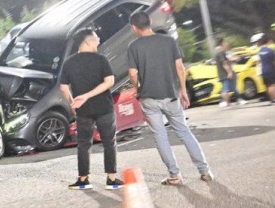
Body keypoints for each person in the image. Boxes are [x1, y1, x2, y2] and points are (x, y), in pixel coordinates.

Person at [127, 11, 213, 186]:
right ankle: (205, 171)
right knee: (184, 132)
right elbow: (180, 68)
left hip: (149, 98)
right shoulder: (168, 41)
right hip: (171, 95)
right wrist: (183, 90)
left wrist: (138, 88)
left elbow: (132, 74)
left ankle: (175, 175)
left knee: (160, 136)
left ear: (134, 27)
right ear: (149, 22)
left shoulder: (133, 46)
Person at [59, 28, 123, 190]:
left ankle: (83, 180)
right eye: (96, 38)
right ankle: (111, 179)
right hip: (104, 108)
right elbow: (109, 82)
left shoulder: (69, 62)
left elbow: (63, 88)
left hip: (83, 110)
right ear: (88, 41)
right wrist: (88, 95)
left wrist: (73, 103)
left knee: (83, 144)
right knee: (109, 142)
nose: (99, 41)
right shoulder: (101, 60)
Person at [214, 38, 243, 108]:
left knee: (229, 88)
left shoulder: (217, 52)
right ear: (222, 43)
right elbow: (224, 63)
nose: (226, 43)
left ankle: (230, 102)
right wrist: (229, 72)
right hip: (224, 74)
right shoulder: (221, 52)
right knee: (225, 89)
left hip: (221, 73)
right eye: (225, 42)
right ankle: (227, 104)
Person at [258, 33, 275, 103]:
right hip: (270, 69)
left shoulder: (260, 51)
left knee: (267, 85)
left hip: (263, 70)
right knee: (272, 85)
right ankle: (274, 98)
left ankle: (270, 99)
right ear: (268, 41)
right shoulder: (270, 51)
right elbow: (273, 61)